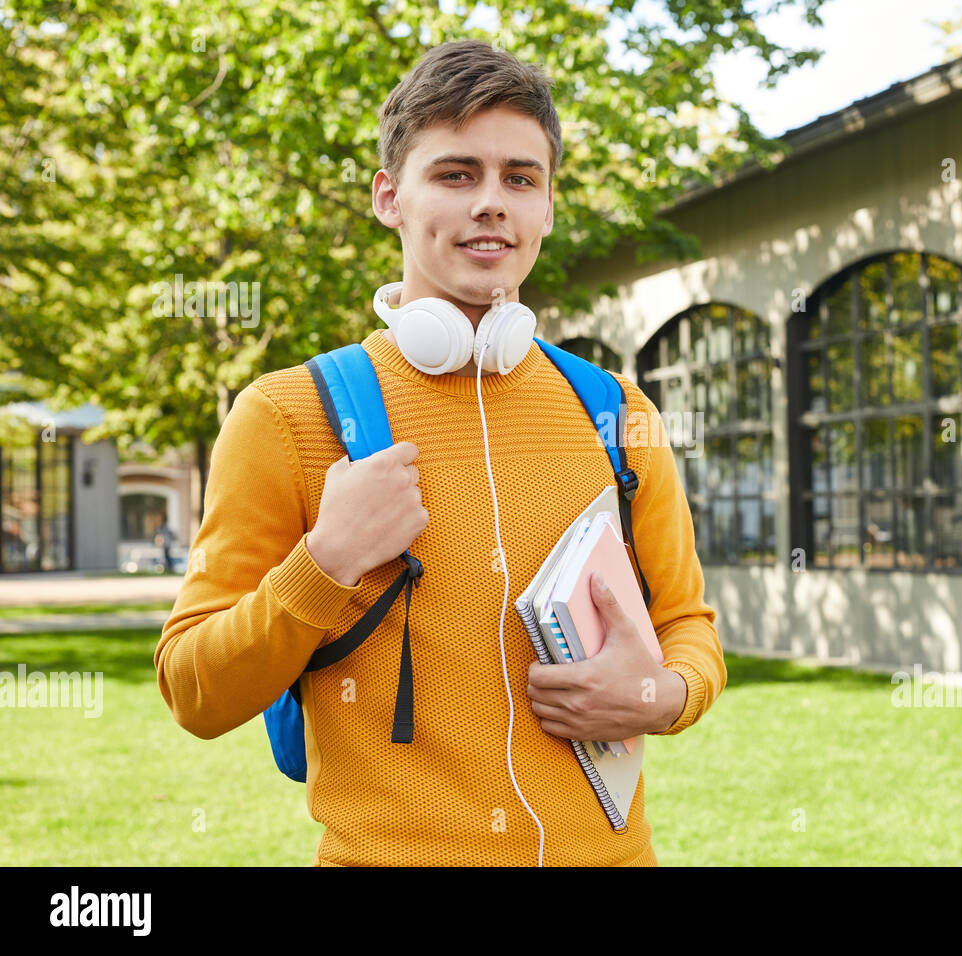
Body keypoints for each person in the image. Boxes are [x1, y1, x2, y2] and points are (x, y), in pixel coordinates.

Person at [154, 39, 726, 867]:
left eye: (520, 178)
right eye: (456, 174)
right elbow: (193, 689)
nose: (492, 203)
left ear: (548, 208)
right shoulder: (285, 415)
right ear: (390, 196)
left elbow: (686, 627)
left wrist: (660, 693)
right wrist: (328, 559)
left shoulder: (618, 411)